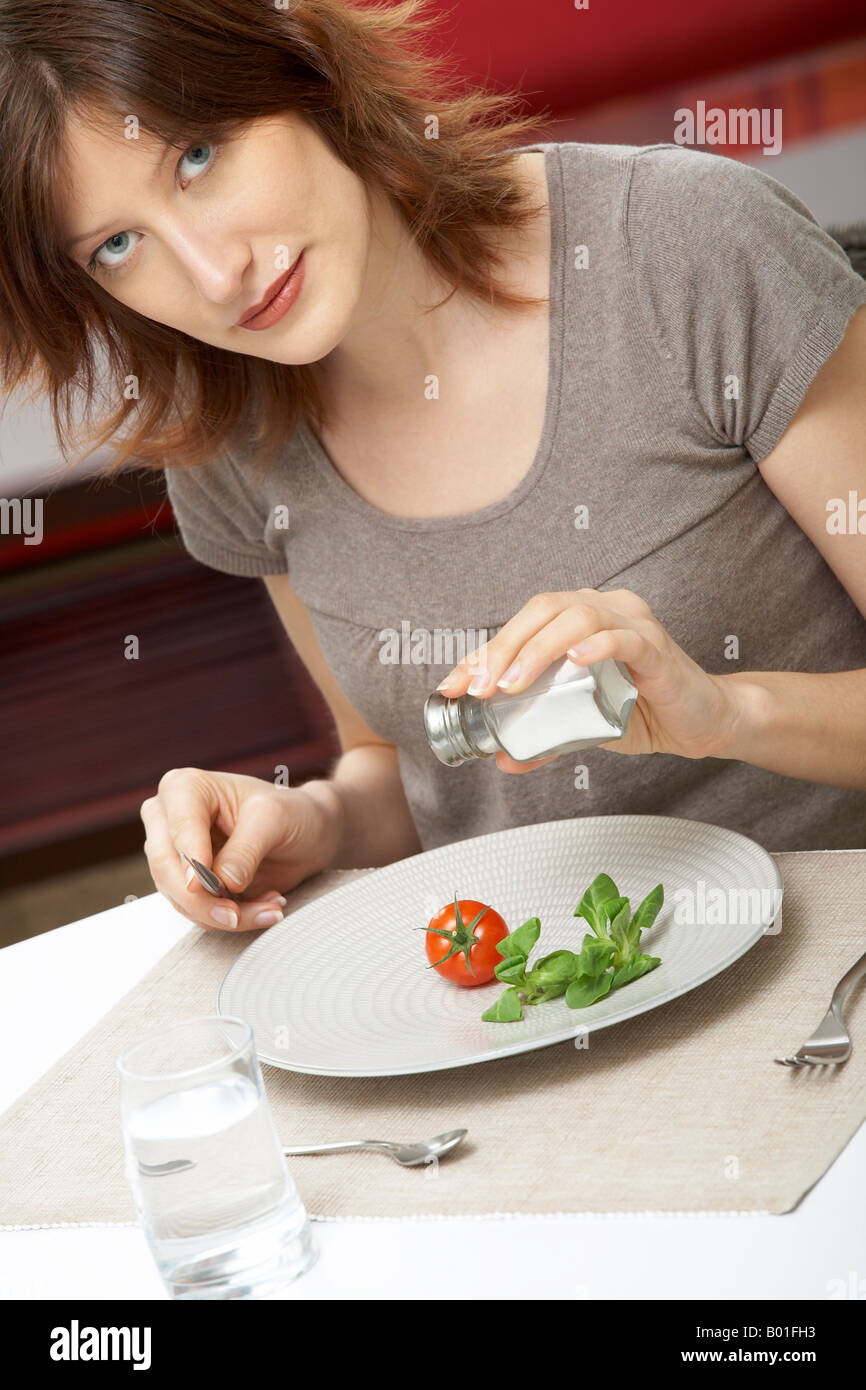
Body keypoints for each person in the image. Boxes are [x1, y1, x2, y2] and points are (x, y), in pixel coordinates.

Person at [2, 0, 865, 936]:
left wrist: (724, 711)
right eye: (117, 245)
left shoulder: (685, 249)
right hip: (527, 1003)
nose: (217, 275)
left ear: (302, 68)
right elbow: (394, 761)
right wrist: (315, 818)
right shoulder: (231, 441)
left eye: (198, 156)